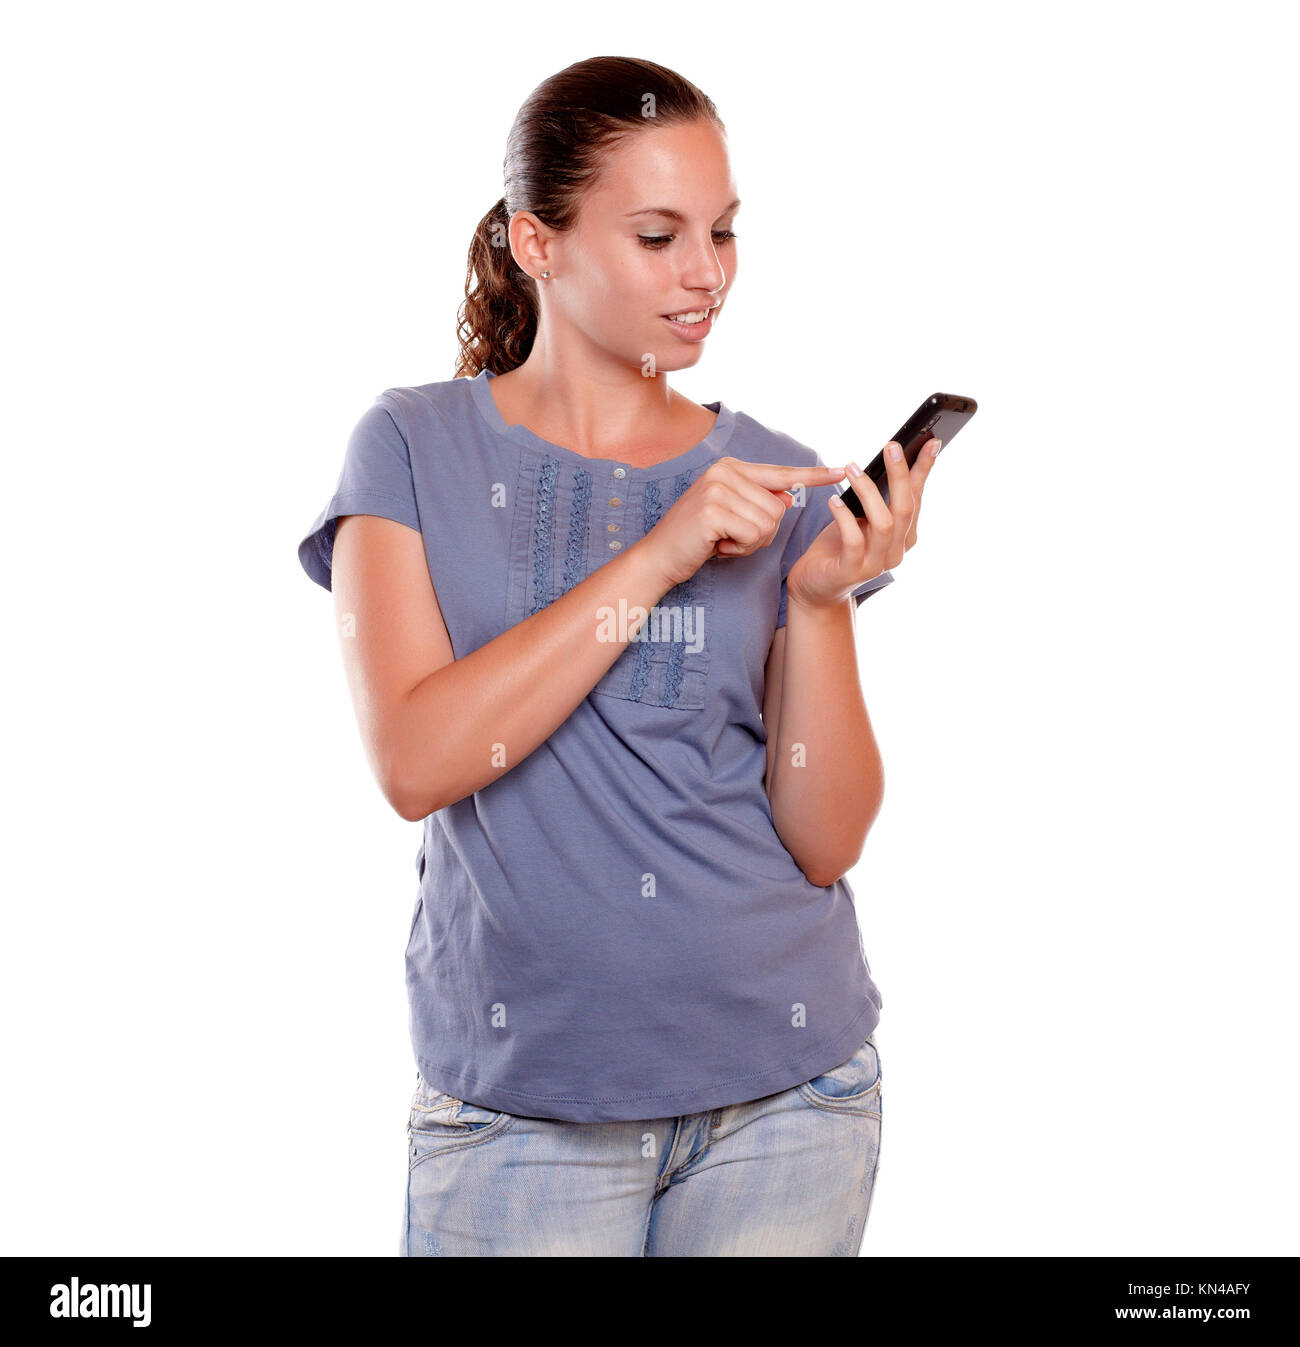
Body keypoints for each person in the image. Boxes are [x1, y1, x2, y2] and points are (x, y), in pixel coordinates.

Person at [296, 55, 941, 1257]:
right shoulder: (409, 447)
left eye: (724, 233)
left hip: (786, 1098)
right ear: (536, 244)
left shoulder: (776, 478)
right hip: (522, 1110)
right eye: (658, 236)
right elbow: (418, 760)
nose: (707, 275)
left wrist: (821, 602)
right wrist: (660, 552)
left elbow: (826, 839)